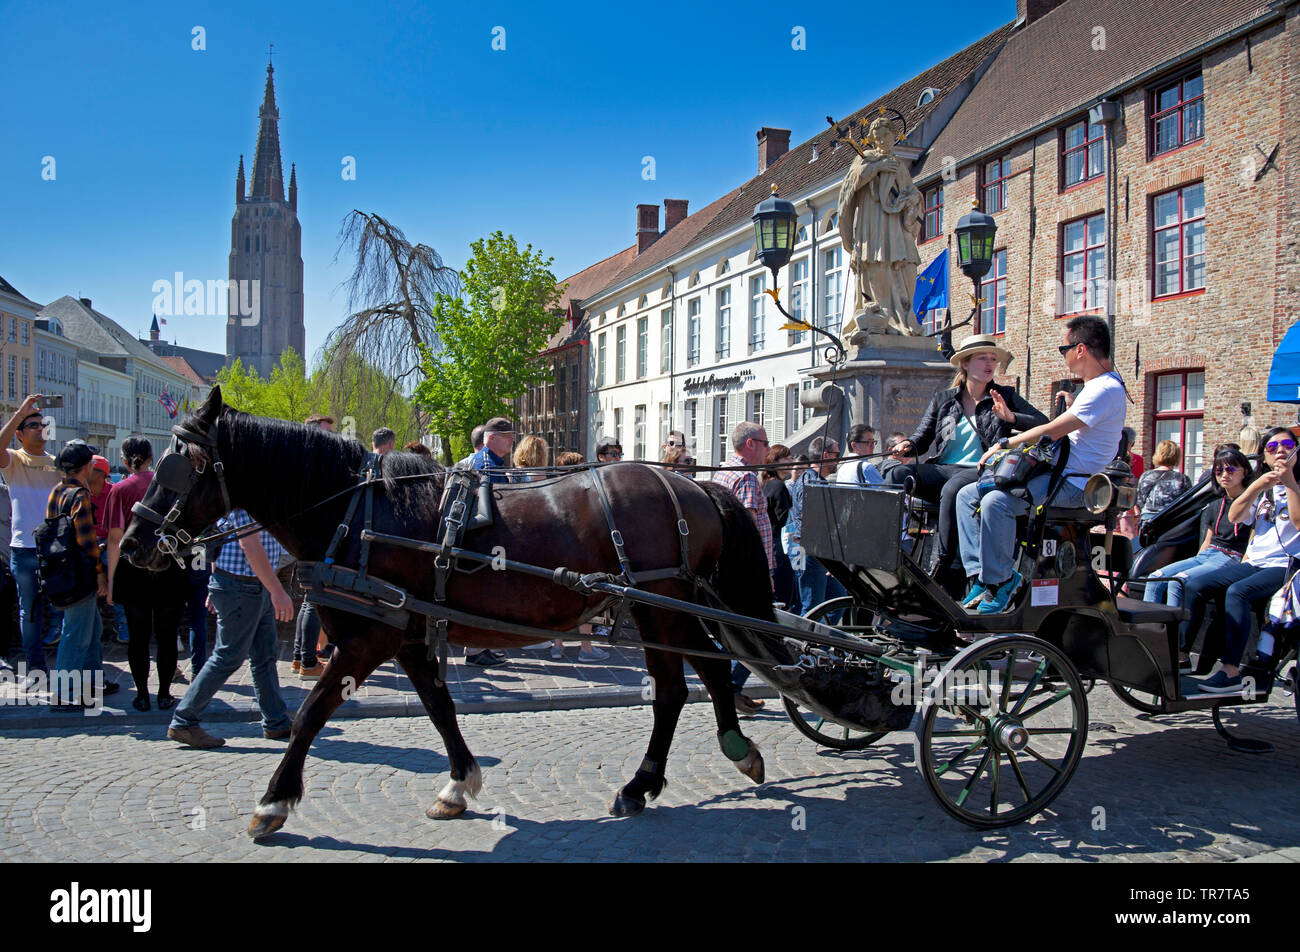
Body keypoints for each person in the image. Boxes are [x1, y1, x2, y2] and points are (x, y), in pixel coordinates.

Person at [955, 316, 1126, 614]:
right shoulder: (1098, 389)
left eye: (1065, 348)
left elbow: (1053, 430)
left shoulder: (1104, 389)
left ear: (1081, 349)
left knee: (996, 502)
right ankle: (982, 576)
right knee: (966, 496)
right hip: (1060, 475)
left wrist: (1004, 443)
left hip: (1074, 484)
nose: (1065, 355)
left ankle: (1004, 579)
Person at [890, 335, 1047, 593]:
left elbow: (1042, 425)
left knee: (954, 489)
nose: (989, 364)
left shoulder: (1005, 395)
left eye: (993, 359)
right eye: (982, 358)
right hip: (943, 467)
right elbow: (923, 437)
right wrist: (907, 446)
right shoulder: (944, 399)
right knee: (896, 474)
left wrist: (1011, 417)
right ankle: (888, 546)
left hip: (982, 469)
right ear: (965, 364)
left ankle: (943, 562)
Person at [167, 508, 296, 748]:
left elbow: (219, 539)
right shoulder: (247, 499)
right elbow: (250, 546)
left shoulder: (243, 495)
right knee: (227, 657)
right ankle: (184, 720)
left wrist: (215, 584)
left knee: (264, 655)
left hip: (249, 585)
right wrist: (277, 591)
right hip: (243, 586)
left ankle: (276, 722)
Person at [1187, 427, 1300, 694]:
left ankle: (1231, 671)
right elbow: (1235, 516)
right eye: (1272, 448)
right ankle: (1183, 656)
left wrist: (1290, 482)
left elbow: (1298, 522)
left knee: (1238, 592)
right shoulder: (1263, 488)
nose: (1280, 451)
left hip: (1285, 565)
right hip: (1255, 561)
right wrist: (1257, 486)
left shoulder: (1296, 485)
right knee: (1194, 584)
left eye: (1286, 445)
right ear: (1264, 457)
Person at [1144, 447, 1254, 669]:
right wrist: (1197, 561)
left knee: (1180, 583)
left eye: (1231, 469)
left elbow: (1253, 538)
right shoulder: (1215, 504)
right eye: (1219, 470)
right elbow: (1208, 540)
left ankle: (1174, 648)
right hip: (1209, 554)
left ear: (1244, 471)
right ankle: (1148, 640)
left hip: (1230, 557)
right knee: (1155, 577)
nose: (1225, 474)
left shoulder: (1252, 503)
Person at [106, 436, 189, 711]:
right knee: (167, 635)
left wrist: (110, 580)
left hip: (132, 568)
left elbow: (115, 538)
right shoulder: (167, 486)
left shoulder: (119, 489)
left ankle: (142, 694)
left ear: (124, 459)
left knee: (138, 637)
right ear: (152, 458)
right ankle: (164, 693)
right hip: (167, 564)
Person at [0, 395, 64, 684]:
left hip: (54, 549)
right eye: (33, 424)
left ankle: (68, 666)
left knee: (63, 606)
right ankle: (37, 670)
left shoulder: (57, 463)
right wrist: (20, 411)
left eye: (42, 423)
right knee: (30, 610)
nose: (40, 428)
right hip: (24, 548)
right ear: (20, 434)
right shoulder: (14, 460)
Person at [713, 421, 775, 715]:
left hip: (726, 565)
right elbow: (748, 526)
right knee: (755, 633)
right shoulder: (747, 478)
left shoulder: (723, 471)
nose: (768, 449)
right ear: (750, 444)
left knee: (737, 632)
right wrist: (762, 575)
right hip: (747, 569)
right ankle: (731, 689)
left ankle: (729, 689)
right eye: (765, 443)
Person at [47, 442, 114, 710]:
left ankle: (93, 684)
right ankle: (63, 694)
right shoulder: (80, 495)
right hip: (79, 574)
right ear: (88, 467)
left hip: (61, 571)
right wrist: (100, 576)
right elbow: (87, 544)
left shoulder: (56, 491)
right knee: (77, 634)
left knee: (92, 628)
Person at [466, 417, 515, 667]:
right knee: (484, 596)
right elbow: (496, 504)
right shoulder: (486, 463)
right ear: (491, 438)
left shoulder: (490, 461)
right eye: (507, 436)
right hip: (486, 539)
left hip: (487, 537)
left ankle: (481, 645)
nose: (512, 440)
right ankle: (476, 650)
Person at [788, 437, 847, 623]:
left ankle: (822, 640)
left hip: (821, 553)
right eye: (836, 454)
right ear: (826, 455)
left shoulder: (818, 480)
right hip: (810, 552)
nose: (838, 459)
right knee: (812, 606)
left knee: (838, 598)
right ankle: (808, 647)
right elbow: (810, 519)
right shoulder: (809, 481)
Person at [87, 454, 129, 647]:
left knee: (118, 574)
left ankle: (123, 625)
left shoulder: (114, 492)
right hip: (89, 543)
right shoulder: (80, 493)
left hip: (109, 542)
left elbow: (117, 532)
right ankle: (91, 628)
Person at [762, 445, 798, 611]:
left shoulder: (767, 484)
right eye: (786, 458)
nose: (791, 462)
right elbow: (782, 519)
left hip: (771, 545)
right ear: (775, 462)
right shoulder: (778, 486)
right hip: (779, 545)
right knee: (784, 594)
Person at [1133, 440, 1191, 536]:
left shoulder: (1146, 476)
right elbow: (1187, 503)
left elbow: (1140, 500)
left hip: (1148, 519)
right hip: (1171, 520)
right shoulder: (1182, 479)